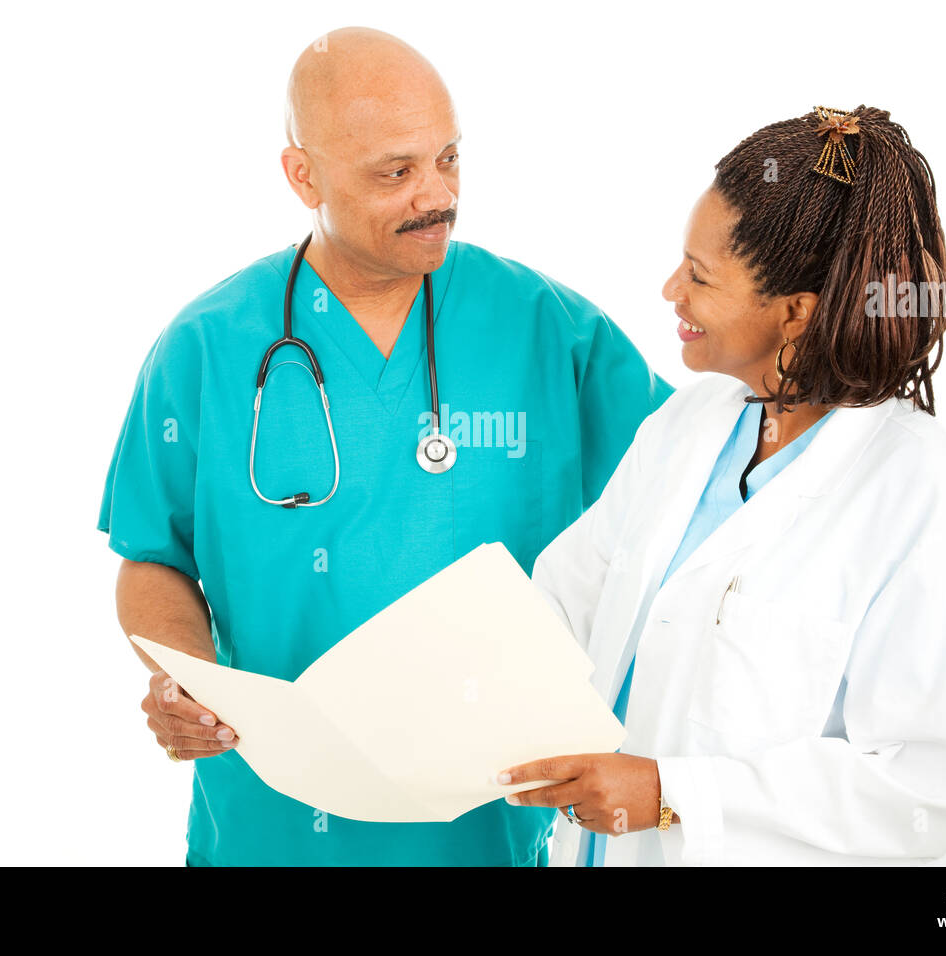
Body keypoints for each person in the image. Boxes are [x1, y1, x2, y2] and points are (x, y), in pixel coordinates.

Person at [97, 26, 672, 866]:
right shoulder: (207, 347)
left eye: (449, 159)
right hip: (270, 825)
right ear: (303, 176)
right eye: (396, 173)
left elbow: (698, 487)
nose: (436, 195)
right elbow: (151, 556)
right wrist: (184, 677)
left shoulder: (547, 327)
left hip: (489, 823)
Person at [499, 106, 946, 866]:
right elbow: (563, 605)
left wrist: (673, 794)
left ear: (796, 313)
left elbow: (928, 785)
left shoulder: (919, 494)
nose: (671, 289)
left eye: (700, 277)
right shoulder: (687, 425)